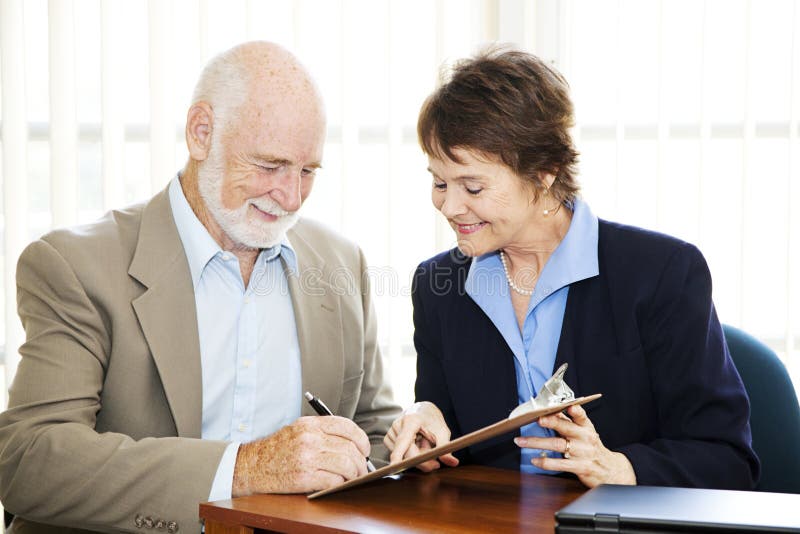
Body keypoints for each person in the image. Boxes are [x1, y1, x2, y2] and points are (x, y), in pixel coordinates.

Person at [0, 41, 400, 533]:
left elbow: (373, 432)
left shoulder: (342, 263)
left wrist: (409, 449)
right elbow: (30, 460)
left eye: (308, 171)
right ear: (201, 133)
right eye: (271, 166)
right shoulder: (75, 266)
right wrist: (246, 468)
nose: (292, 196)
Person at [384, 47, 759, 490]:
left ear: (545, 172)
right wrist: (426, 423)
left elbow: (727, 459)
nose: (448, 206)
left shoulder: (663, 275)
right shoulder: (437, 287)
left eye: (472, 186)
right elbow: (453, 448)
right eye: (439, 182)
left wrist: (619, 469)